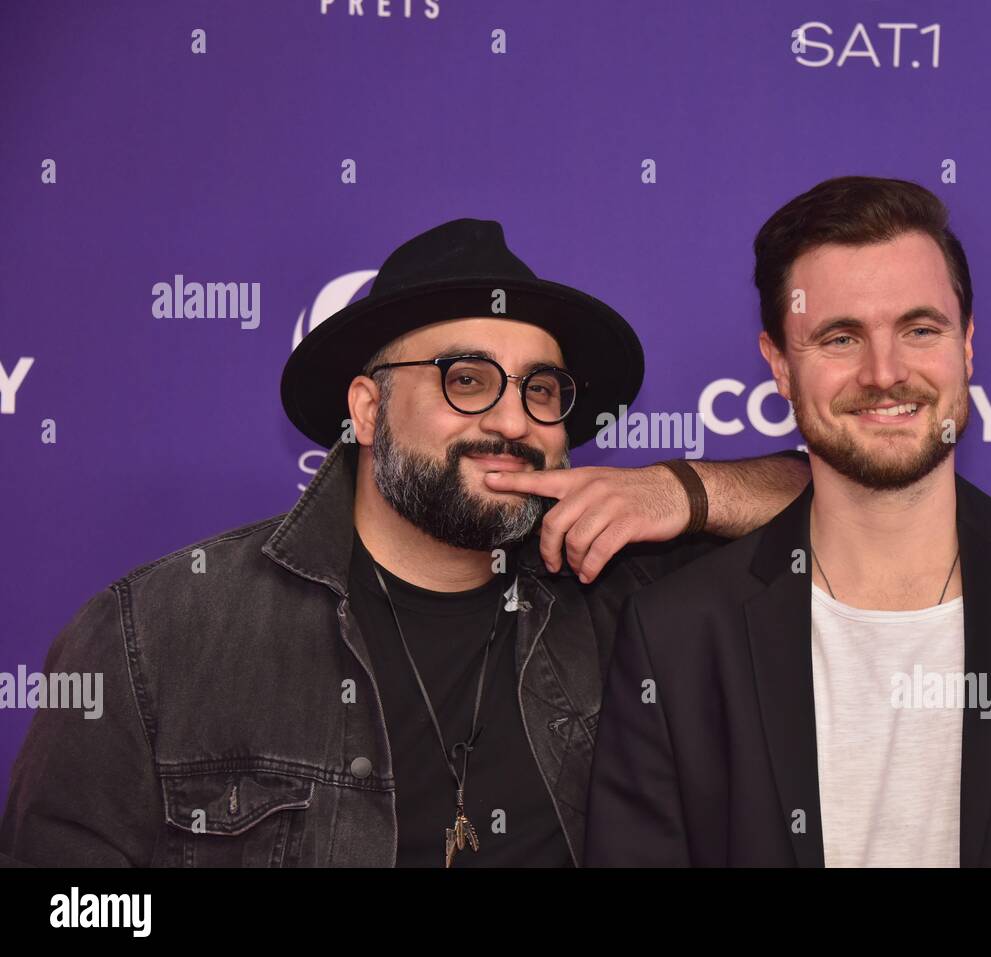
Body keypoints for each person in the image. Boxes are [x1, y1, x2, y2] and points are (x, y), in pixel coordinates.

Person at [0, 218, 809, 867]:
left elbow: (851, 505)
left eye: (541, 390)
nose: (512, 420)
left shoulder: (628, 597)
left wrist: (683, 489)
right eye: (467, 379)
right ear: (367, 409)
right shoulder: (157, 635)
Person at [584, 176, 991, 867]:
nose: (884, 373)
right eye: (840, 337)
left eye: (920, 330)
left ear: (966, 345)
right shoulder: (677, 633)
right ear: (780, 366)